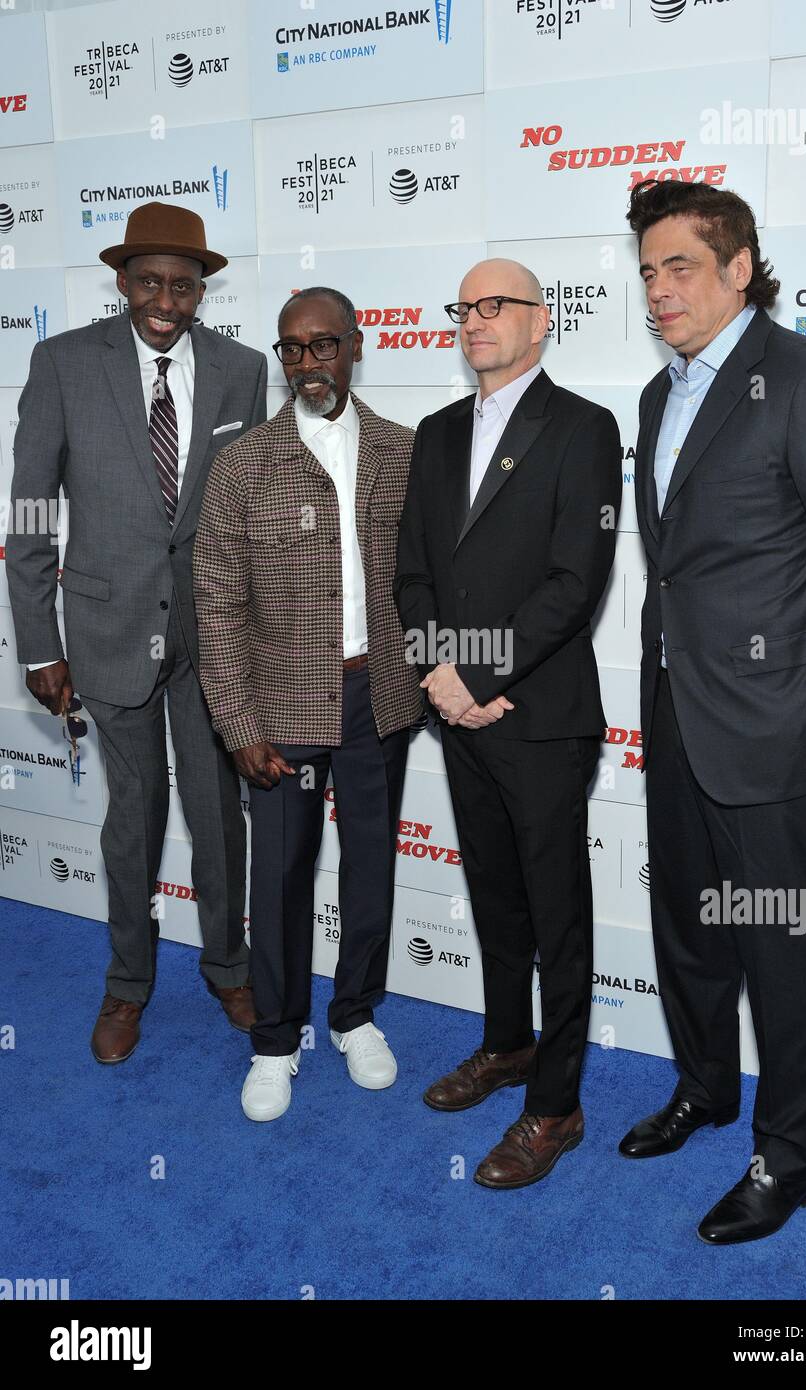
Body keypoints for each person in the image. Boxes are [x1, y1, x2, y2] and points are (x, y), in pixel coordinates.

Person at [622, 179, 806, 1243]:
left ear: (741, 266)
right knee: (694, 932)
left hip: (786, 734)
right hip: (681, 718)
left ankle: (789, 1160)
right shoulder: (662, 397)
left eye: (681, 266)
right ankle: (706, 1090)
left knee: (785, 960)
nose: (660, 290)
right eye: (648, 270)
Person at [6, 201, 267, 1063]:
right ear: (122, 284)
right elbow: (35, 509)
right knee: (134, 817)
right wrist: (39, 643)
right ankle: (127, 986)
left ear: (202, 292)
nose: (166, 297)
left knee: (219, 813)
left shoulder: (239, 369)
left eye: (183, 285)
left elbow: (246, 511)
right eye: (150, 281)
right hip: (106, 628)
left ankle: (229, 966)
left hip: (210, 638)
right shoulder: (63, 362)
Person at [395, 258, 621, 1188]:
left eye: (497, 305)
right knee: (493, 897)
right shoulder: (438, 432)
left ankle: (556, 1105)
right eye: (464, 307)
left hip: (538, 713)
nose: (475, 319)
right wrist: (438, 680)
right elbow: (410, 571)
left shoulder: (585, 428)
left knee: (557, 914)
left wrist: (478, 673)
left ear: (542, 320)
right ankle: (506, 1045)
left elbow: (577, 580)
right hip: (460, 713)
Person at [194, 287, 421, 1121]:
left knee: (370, 867)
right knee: (281, 877)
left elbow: (424, 581)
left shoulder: (403, 451)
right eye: (291, 350)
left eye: (323, 346)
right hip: (280, 709)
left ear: (356, 347)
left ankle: (356, 1013)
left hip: (378, 696)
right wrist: (239, 724)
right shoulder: (243, 462)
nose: (306, 364)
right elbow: (214, 604)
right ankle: (277, 1040)